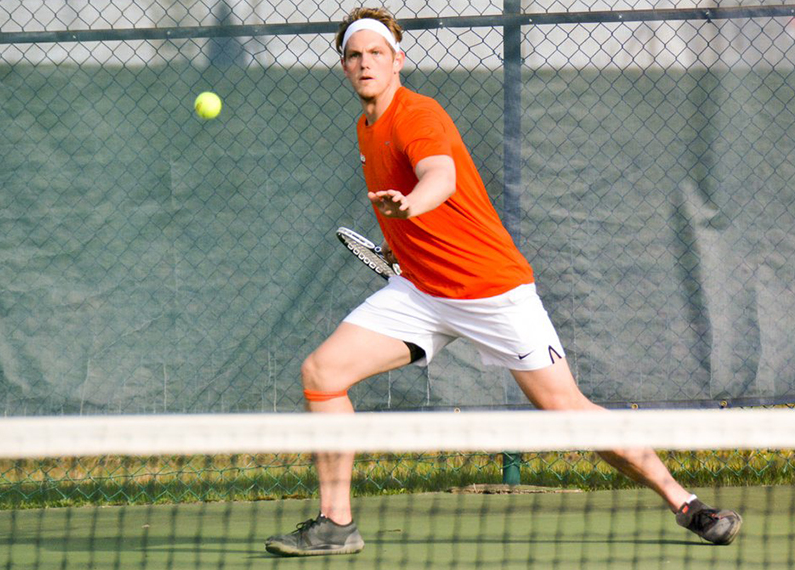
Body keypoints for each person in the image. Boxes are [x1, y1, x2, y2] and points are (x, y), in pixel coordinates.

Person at [264, 7, 742, 557]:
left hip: (491, 290)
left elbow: (438, 175)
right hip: (422, 291)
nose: (366, 63)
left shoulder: (419, 115)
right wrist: (404, 241)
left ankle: (686, 504)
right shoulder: (365, 128)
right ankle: (336, 524)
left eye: (377, 53)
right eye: (355, 55)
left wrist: (413, 204)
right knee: (322, 374)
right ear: (344, 67)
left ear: (398, 60)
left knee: (566, 409)